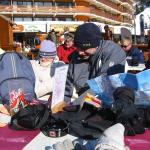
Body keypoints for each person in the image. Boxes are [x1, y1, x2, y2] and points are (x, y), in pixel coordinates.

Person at [64, 23, 126, 103]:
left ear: (96, 45)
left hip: (106, 104)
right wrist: (62, 105)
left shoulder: (114, 53)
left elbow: (104, 85)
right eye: (78, 47)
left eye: (84, 48)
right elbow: (67, 86)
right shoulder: (76, 57)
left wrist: (78, 104)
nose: (80, 52)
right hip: (83, 102)